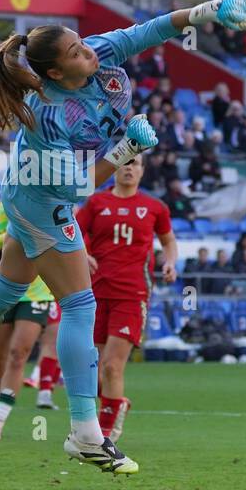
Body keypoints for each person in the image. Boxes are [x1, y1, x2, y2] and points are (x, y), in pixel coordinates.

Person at [0, 0, 246, 473]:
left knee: (6, 287)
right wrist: (128, 147)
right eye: (75, 52)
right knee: (79, 304)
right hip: (42, 195)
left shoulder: (100, 53)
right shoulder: (47, 112)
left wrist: (208, 10)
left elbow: (151, 29)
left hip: (33, 192)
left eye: (81, 43)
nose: (88, 52)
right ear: (54, 73)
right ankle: (85, 433)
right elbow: (76, 189)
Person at [76, 153, 178, 442]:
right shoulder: (96, 203)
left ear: (142, 171)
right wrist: (84, 254)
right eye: (125, 163)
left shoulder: (154, 207)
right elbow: (72, 231)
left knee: (111, 365)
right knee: (92, 369)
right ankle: (116, 403)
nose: (129, 168)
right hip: (96, 293)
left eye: (135, 164)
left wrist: (170, 262)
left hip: (132, 295)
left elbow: (169, 240)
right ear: (115, 169)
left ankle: (105, 434)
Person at [0, 200, 60, 439]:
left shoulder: (54, 203)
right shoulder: (10, 202)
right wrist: (14, 234)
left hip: (38, 293)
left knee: (18, 353)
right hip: (7, 287)